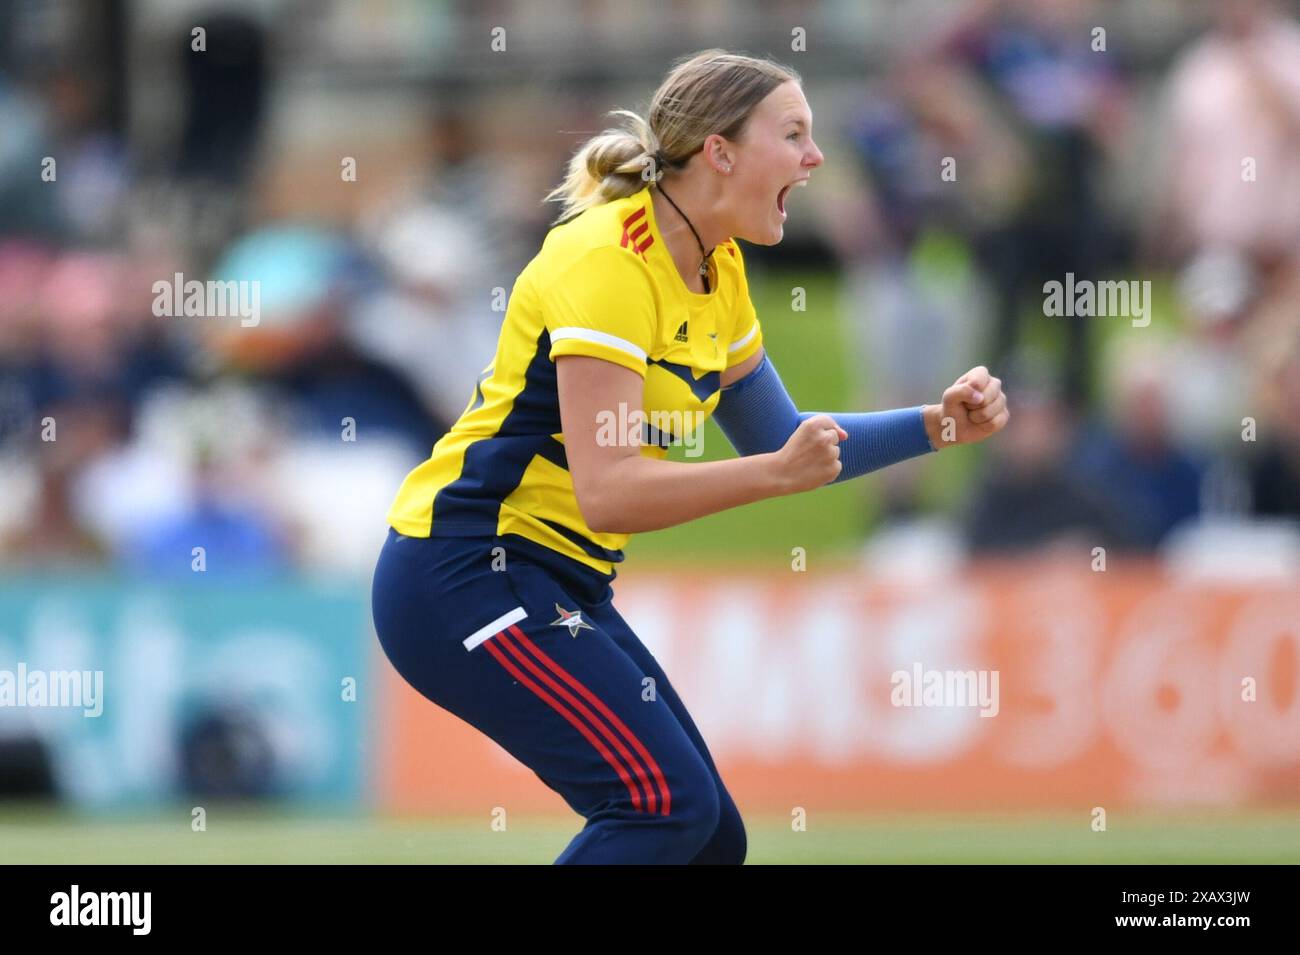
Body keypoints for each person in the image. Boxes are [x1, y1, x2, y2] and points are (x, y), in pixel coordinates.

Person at [370, 49, 1010, 865]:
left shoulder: (720, 267)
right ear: (720, 152)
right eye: (795, 135)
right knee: (659, 805)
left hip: (554, 578)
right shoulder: (607, 260)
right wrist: (774, 475)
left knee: (709, 837)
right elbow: (611, 492)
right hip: (462, 572)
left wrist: (937, 424)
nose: (815, 159)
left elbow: (787, 443)